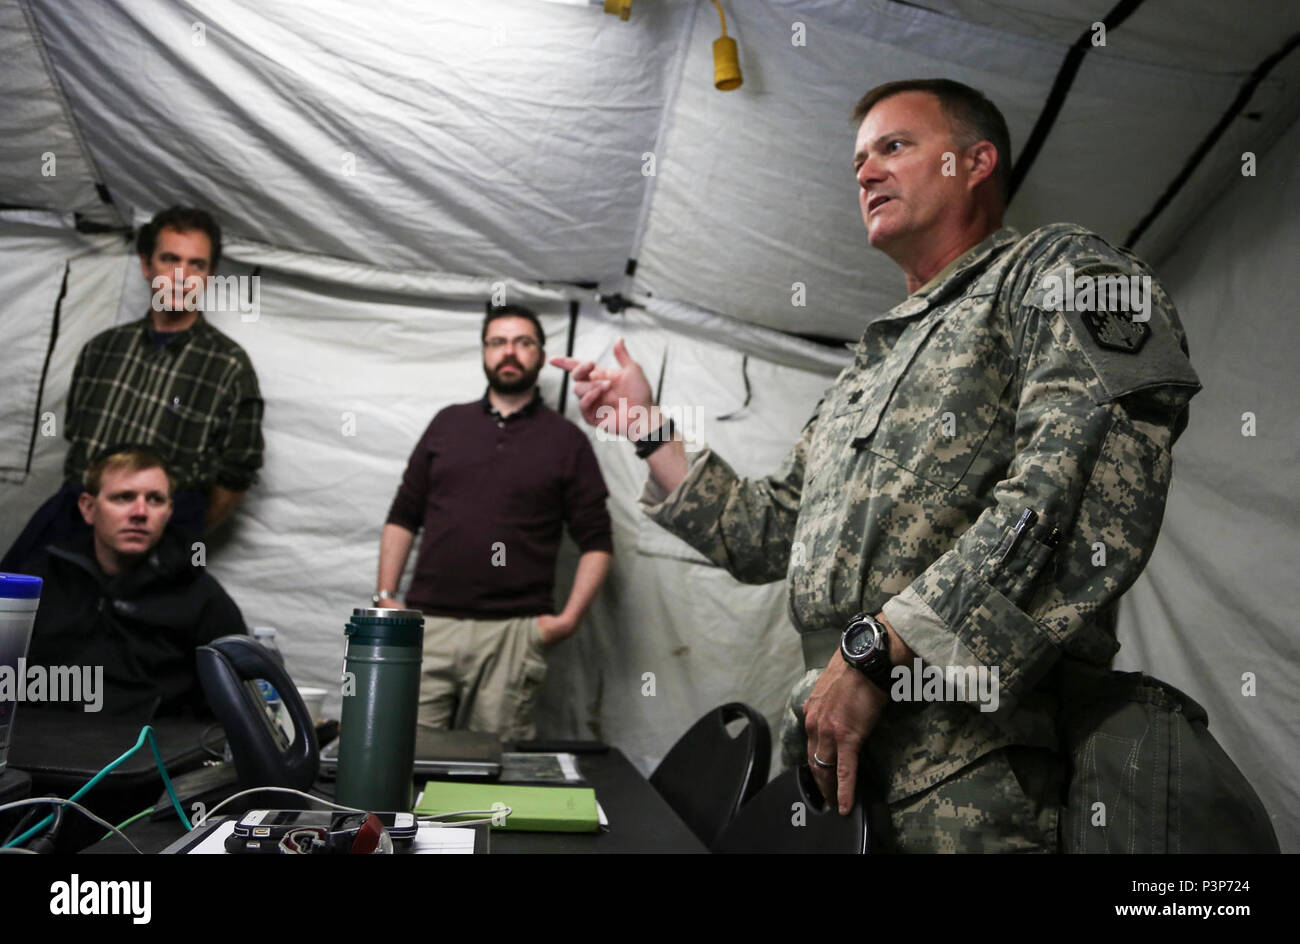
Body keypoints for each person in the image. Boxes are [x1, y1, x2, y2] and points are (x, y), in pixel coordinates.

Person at [554, 79, 1201, 852]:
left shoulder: (1063, 274)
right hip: (834, 760)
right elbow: (768, 532)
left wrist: (878, 650)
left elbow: (1082, 489)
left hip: (972, 770)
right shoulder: (870, 362)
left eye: (894, 146)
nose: (864, 171)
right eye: (859, 158)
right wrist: (643, 422)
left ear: (976, 161)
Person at [376, 305, 613, 741]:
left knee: (495, 771)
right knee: (402, 754)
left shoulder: (567, 441)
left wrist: (567, 620)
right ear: (483, 353)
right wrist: (386, 596)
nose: (510, 352)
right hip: (429, 625)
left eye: (524, 343)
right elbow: (403, 516)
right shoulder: (448, 424)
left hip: (514, 634)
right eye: (498, 342)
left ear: (541, 357)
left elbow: (598, 541)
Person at [1, 206, 264, 571]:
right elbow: (76, 437)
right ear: (146, 266)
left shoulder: (229, 367)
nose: (181, 276)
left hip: (160, 536)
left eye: (196, 265)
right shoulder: (101, 349)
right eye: (170, 259)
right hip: (75, 519)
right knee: (17, 610)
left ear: (210, 276)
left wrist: (180, 532)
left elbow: (236, 475)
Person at [22, 446, 247, 719]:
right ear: (89, 508)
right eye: (124, 497)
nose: (140, 512)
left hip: (156, 754)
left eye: (155, 500)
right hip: (42, 750)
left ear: (169, 511)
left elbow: (238, 707)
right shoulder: (41, 583)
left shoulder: (200, 596)